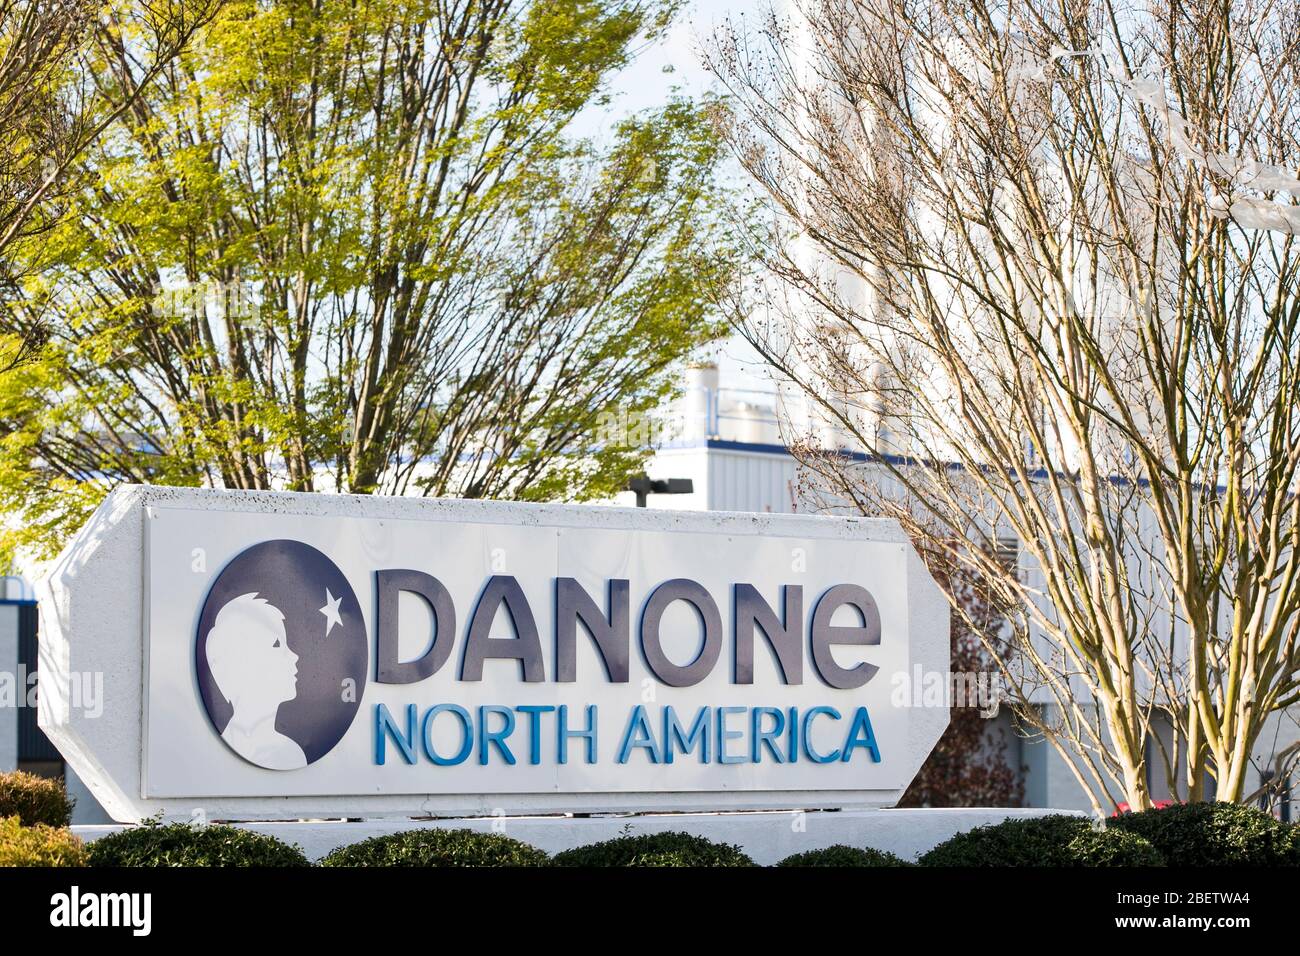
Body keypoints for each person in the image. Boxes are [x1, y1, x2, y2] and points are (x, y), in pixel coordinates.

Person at [205, 592, 308, 770]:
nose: (294, 656)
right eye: (277, 644)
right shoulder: (288, 754)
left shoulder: (289, 752)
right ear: (244, 662)